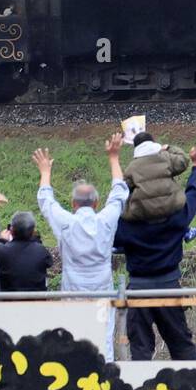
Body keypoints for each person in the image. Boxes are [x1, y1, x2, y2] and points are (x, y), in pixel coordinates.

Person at [35, 135, 128, 358]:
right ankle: (105, 377)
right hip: (102, 284)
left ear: (73, 204)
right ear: (96, 203)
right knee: (104, 337)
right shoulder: (105, 220)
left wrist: (45, 172)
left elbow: (46, 202)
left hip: (73, 286)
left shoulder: (66, 222)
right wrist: (114, 158)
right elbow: (119, 195)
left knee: (73, 337)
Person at [114, 140, 196, 361]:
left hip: (138, 290)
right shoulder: (177, 216)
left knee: (141, 350)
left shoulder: (128, 222)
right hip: (169, 287)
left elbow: (114, 233)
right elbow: (195, 195)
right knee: (182, 345)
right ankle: (193, 389)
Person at [121, 132, 190, 222]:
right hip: (171, 206)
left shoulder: (132, 167)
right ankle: (185, 230)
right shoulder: (165, 157)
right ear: (152, 142)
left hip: (144, 212)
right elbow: (183, 160)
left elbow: (123, 188)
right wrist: (168, 148)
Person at [0, 211, 53, 292]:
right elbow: (49, 263)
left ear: (11, 230)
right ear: (33, 231)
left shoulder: (1, 251)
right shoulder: (41, 251)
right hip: (36, 300)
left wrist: (1, 240)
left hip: (9, 301)